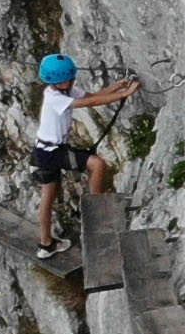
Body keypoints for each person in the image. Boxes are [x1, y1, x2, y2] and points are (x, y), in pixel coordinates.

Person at [30, 54, 141, 260]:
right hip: (51, 152)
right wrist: (126, 93)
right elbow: (93, 101)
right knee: (97, 164)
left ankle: (45, 244)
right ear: (60, 81)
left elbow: (93, 97)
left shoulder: (62, 90)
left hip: (45, 151)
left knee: (49, 196)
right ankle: (97, 216)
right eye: (70, 78)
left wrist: (119, 86)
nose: (73, 81)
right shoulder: (56, 98)